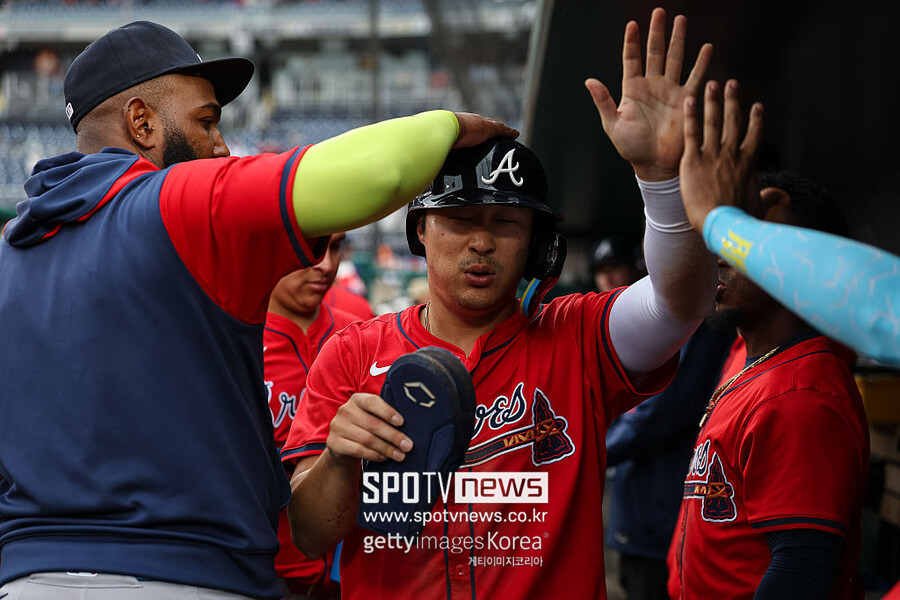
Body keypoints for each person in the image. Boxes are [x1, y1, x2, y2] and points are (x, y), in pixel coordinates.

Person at [0, 20, 516, 600]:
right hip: (180, 574)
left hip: (25, 577)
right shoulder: (174, 203)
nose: (220, 145)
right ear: (141, 123)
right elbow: (377, 173)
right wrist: (450, 127)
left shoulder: (11, 252)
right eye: (206, 122)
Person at [282, 8, 718, 598]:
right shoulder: (353, 354)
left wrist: (662, 182)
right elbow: (309, 536)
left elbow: (679, 303)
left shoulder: (579, 336)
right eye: (461, 219)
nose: (482, 241)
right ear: (421, 231)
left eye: (506, 223)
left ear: (536, 243)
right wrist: (340, 458)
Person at [665, 155, 870, 598]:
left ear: (804, 263)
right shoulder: (751, 358)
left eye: (750, 238)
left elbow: (799, 573)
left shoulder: (800, 394)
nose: (721, 254)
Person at [677, 79, 900, 367]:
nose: (720, 257)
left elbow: (886, 305)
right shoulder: (744, 348)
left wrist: (722, 225)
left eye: (757, 226)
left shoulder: (804, 386)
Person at [265, 232, 356, 599]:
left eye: (335, 247)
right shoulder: (235, 339)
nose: (326, 265)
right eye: (312, 247)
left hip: (349, 576)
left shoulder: (361, 330)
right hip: (263, 575)